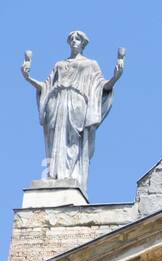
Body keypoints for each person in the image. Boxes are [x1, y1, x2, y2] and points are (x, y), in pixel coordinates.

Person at [21, 31, 125, 190]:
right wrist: (28, 78)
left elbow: (103, 87)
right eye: (72, 39)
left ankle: (72, 175)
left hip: (77, 102)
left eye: (78, 39)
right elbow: (45, 86)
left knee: (73, 138)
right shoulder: (59, 64)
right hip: (56, 102)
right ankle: (54, 175)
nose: (74, 41)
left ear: (83, 43)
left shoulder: (91, 64)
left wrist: (116, 76)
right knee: (56, 138)